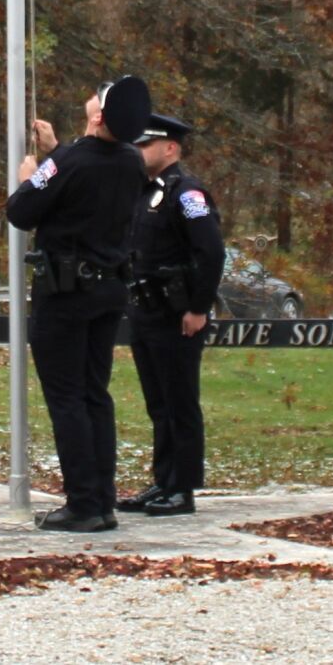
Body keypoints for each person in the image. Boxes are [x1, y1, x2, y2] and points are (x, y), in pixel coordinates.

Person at [5, 74, 150, 532]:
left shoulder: (68, 161)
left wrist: (30, 178)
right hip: (108, 291)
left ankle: (83, 503)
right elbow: (83, 173)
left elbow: (21, 210)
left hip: (65, 294)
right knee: (94, 394)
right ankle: (102, 498)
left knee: (66, 397)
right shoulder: (130, 160)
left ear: (98, 118)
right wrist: (55, 153)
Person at [119, 111, 225, 518]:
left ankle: (182, 487)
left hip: (178, 316)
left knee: (180, 402)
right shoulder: (145, 193)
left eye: (146, 144)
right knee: (158, 404)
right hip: (146, 314)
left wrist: (199, 307)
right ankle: (163, 480)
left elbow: (211, 252)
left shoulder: (187, 194)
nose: (139, 151)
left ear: (170, 147)